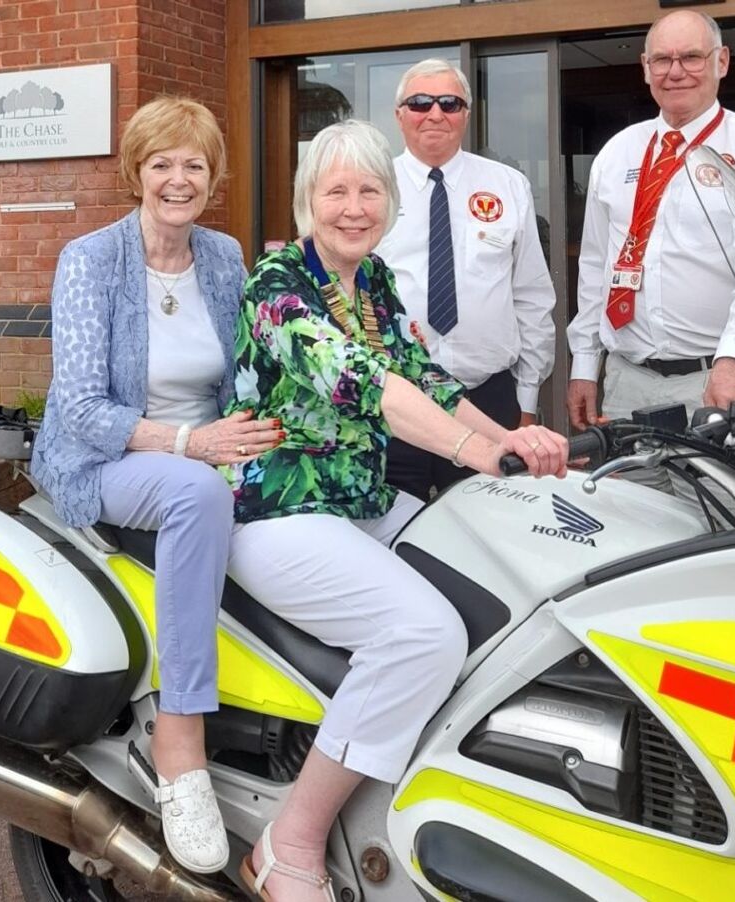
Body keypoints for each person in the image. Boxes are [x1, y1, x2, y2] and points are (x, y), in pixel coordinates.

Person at [224, 119, 569, 902]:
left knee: (507, 591)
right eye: (335, 191)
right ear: (306, 200)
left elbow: (431, 378)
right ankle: (291, 843)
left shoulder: (372, 281)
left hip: (364, 499)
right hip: (283, 507)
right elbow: (366, 386)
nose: (354, 206)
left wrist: (509, 436)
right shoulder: (278, 285)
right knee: (423, 634)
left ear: (390, 201)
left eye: (369, 190)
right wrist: (470, 453)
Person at [30, 97, 281, 875]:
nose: (179, 179)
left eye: (195, 165)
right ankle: (180, 744)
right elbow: (79, 407)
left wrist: (257, 431)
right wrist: (190, 445)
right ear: (136, 172)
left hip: (203, 446)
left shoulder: (223, 256)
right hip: (104, 458)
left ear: (214, 177)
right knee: (196, 495)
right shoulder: (92, 259)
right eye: (162, 163)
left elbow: (243, 374)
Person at [566, 10, 735, 435]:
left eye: (692, 57)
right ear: (645, 68)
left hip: (717, 382)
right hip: (627, 384)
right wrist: (584, 364)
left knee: (714, 504)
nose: (675, 72)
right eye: (662, 60)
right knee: (631, 502)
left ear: (722, 62)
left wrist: (734, 360)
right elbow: (596, 268)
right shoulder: (616, 152)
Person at [375, 58, 557, 500]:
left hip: (488, 398)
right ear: (399, 114)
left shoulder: (507, 185)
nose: (435, 113)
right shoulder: (372, 185)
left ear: (466, 115)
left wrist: (526, 405)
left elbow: (531, 297)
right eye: (419, 103)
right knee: (396, 534)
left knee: (491, 533)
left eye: (449, 103)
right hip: (396, 402)